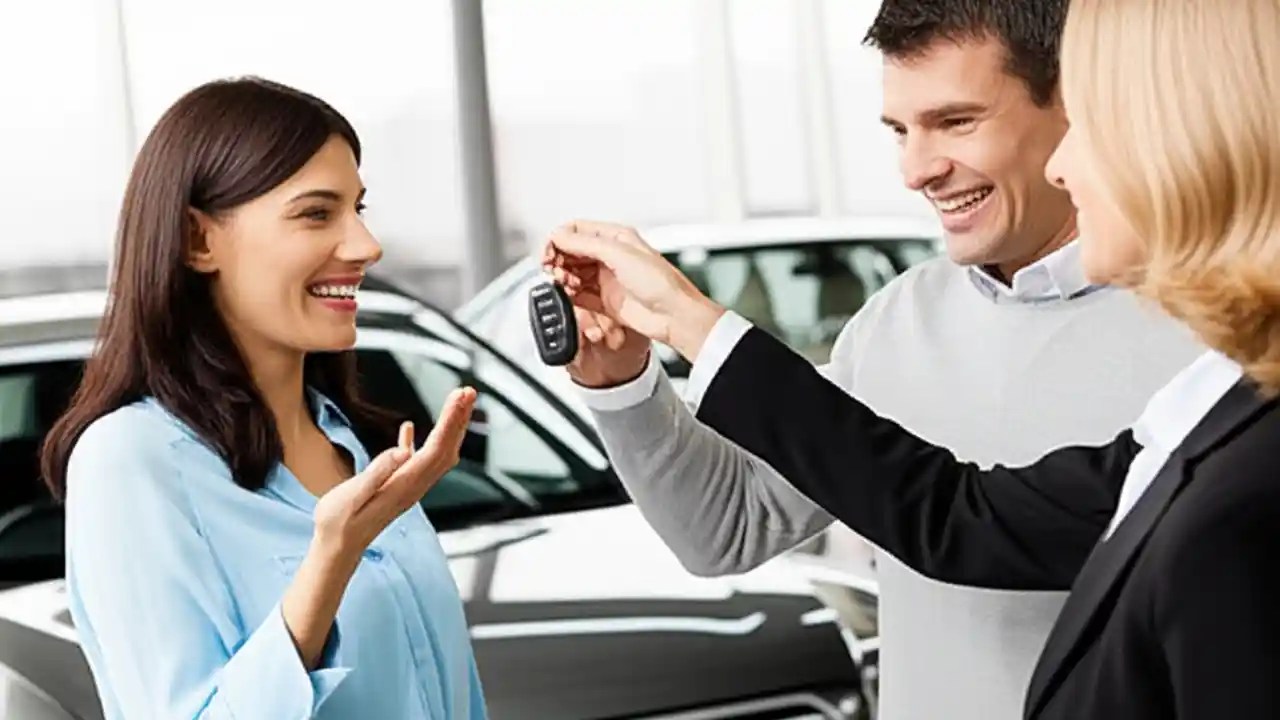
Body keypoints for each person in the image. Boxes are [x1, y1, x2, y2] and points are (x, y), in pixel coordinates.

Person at [545, 0, 1280, 715]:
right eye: (899, 130)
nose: (917, 169)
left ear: (1072, 109)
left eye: (956, 122)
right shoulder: (894, 320)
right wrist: (621, 381)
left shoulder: (1228, 344)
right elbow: (726, 530)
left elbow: (953, 518)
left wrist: (696, 322)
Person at [40, 78, 487, 720]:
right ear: (198, 241)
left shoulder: (344, 439)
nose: (366, 246)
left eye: (359, 208)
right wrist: (329, 562)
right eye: (316, 212)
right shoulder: (130, 460)